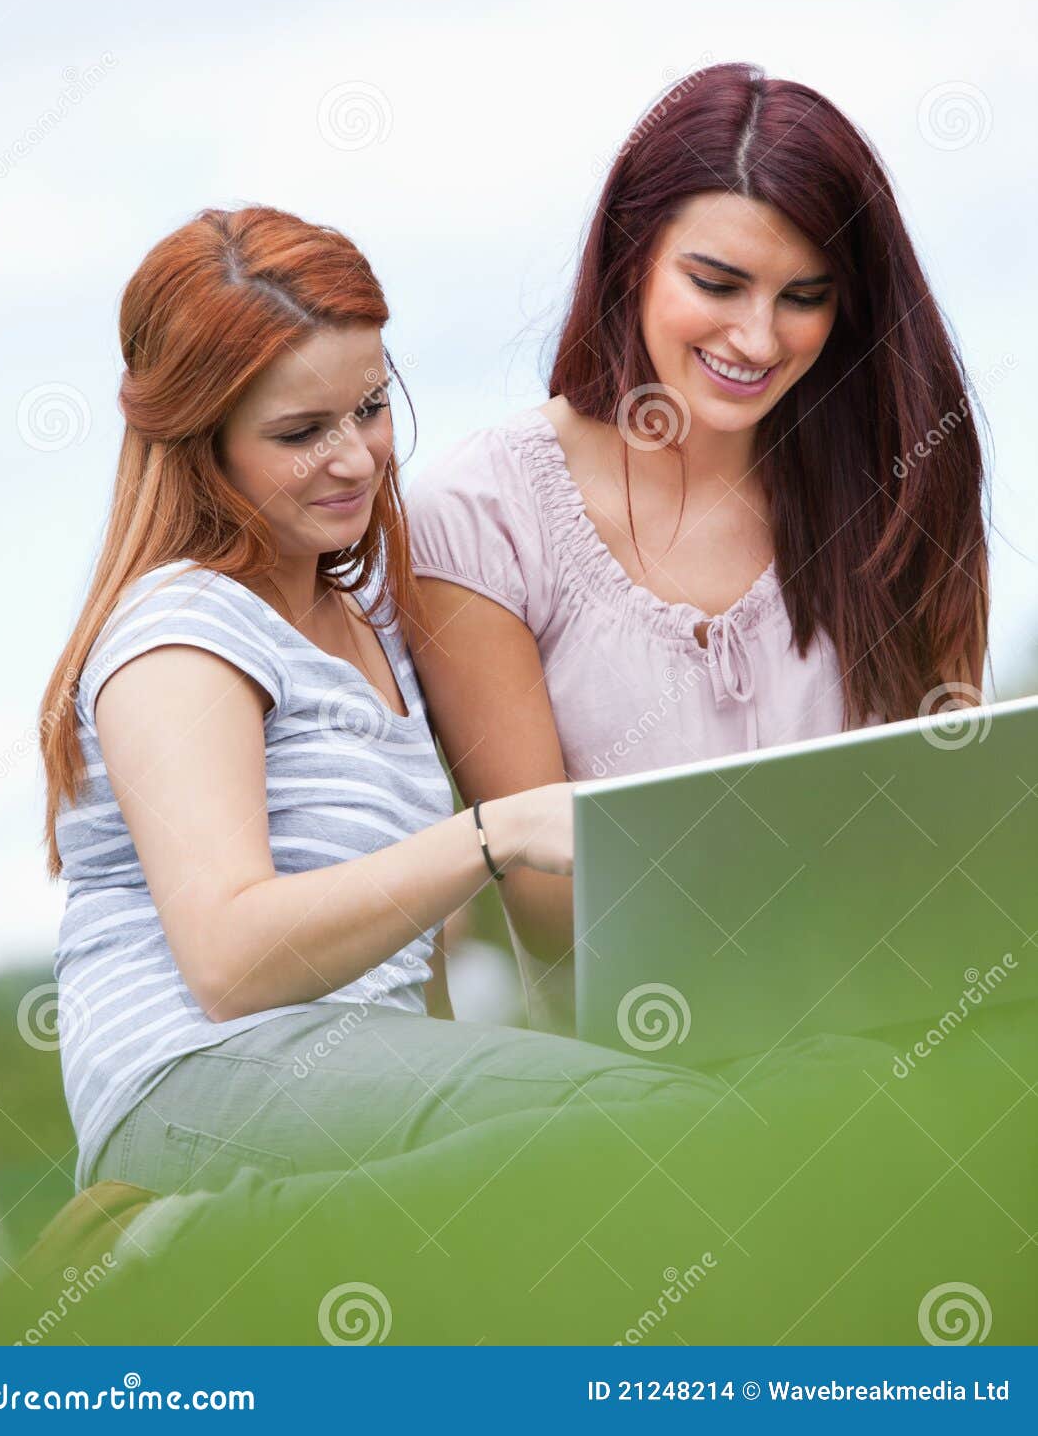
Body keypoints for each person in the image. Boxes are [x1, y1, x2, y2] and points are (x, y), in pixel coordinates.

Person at [40, 202, 825, 1200]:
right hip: (191, 1090)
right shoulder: (181, 629)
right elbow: (230, 960)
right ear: (201, 442)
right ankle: (165, 1243)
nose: (357, 456)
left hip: (352, 1069)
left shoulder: (367, 619)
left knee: (720, 1116)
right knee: (665, 1129)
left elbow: (411, 995)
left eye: (369, 407)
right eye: (299, 431)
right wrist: (492, 836)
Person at [405, 61, 990, 1032]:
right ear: (631, 254)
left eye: (804, 295)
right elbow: (552, 908)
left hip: (907, 1041)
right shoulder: (478, 515)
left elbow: (952, 814)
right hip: (648, 1090)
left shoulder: (897, 484)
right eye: (715, 282)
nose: (757, 337)